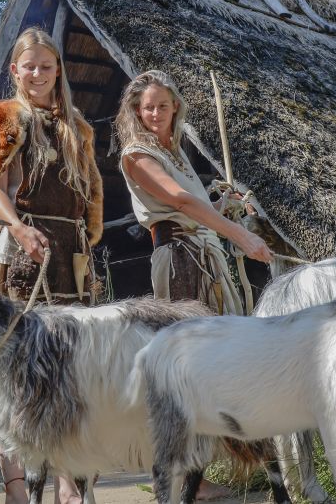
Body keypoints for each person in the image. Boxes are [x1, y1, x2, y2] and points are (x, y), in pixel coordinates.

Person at [116, 70, 272, 499]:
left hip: (206, 255)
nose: (155, 114)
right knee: (190, 368)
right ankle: (181, 476)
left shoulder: (177, 154)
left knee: (216, 364)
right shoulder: (136, 154)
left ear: (175, 108)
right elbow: (181, 203)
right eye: (147, 107)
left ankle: (200, 473)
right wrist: (239, 234)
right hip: (183, 259)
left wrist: (225, 205)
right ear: (135, 111)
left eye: (163, 106)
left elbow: (197, 205)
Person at [0, 27, 103, 504]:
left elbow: (85, 193)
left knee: (70, 371)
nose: (39, 74)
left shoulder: (76, 126)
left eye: (47, 66)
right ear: (15, 70)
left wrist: (84, 239)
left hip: (70, 255)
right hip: (22, 252)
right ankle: (16, 490)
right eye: (30, 66)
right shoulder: (4, 117)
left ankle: (69, 485)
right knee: (11, 373)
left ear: (57, 71)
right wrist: (20, 230)